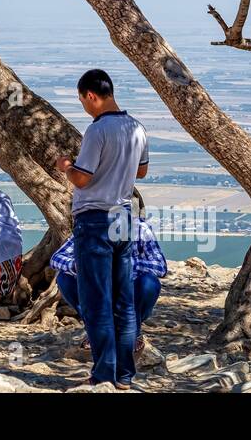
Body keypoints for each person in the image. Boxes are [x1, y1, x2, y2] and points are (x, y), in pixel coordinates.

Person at [54, 68, 149, 389]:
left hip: (95, 217)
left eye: (83, 100)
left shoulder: (97, 131)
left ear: (91, 96)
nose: (84, 106)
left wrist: (66, 165)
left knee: (96, 300)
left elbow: (83, 177)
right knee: (123, 299)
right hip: (123, 214)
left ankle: (104, 372)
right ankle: (125, 374)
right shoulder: (136, 127)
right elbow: (143, 170)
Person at [51, 194, 166, 359]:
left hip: (129, 292)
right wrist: (79, 265)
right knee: (64, 279)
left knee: (149, 282)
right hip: (98, 291)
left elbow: (160, 265)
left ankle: (133, 332)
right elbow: (57, 258)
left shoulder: (141, 229)